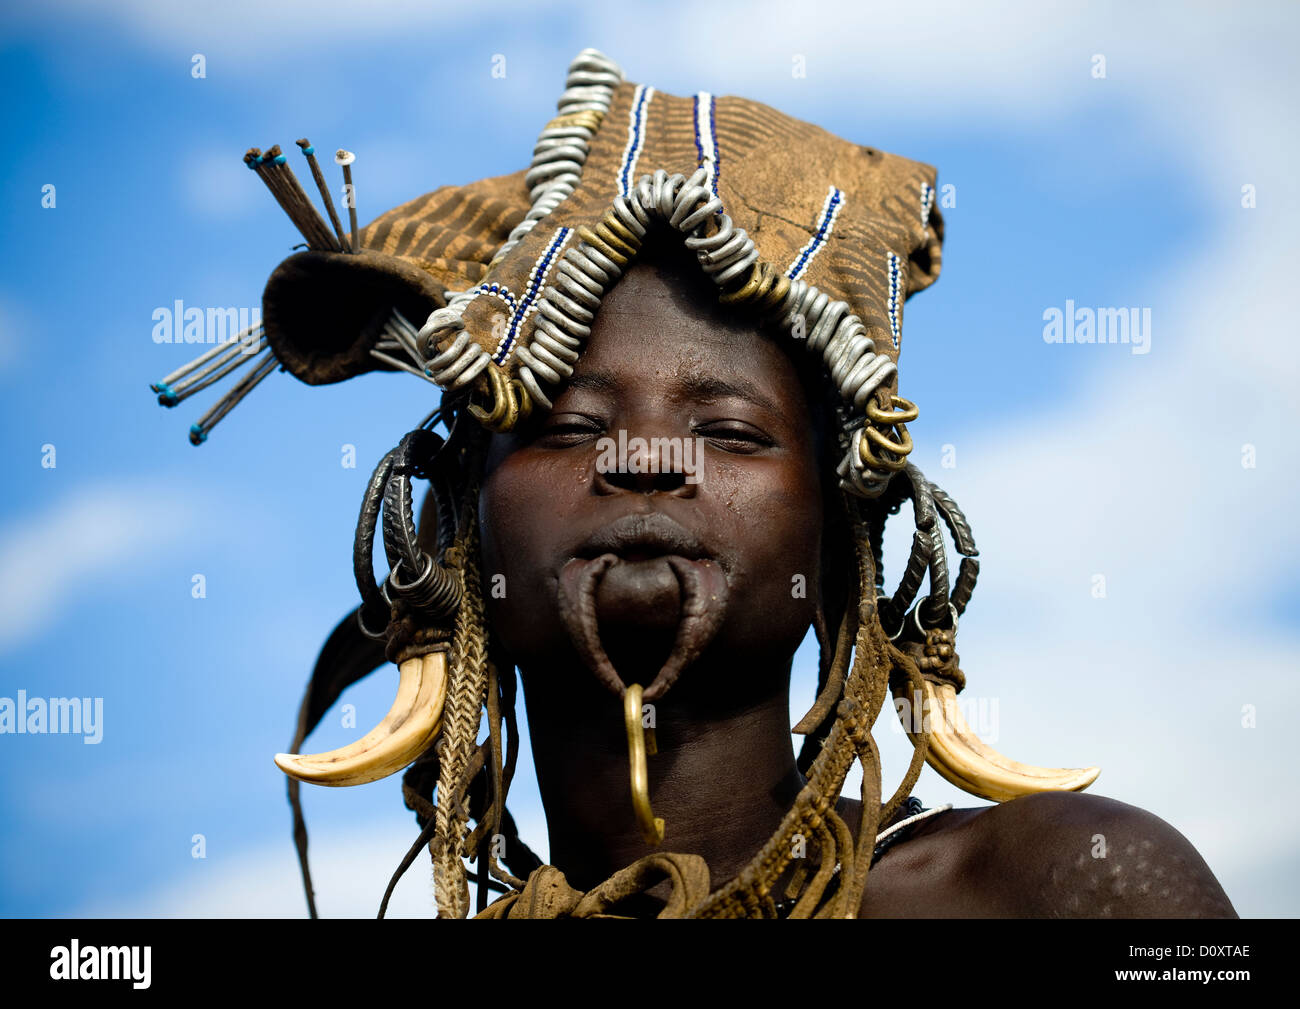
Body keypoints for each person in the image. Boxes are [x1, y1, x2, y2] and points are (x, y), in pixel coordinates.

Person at [149, 49, 1236, 918]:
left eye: (730, 430)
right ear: (456, 541)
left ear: (838, 530)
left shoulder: (1058, 887)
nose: (645, 457)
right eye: (567, 425)